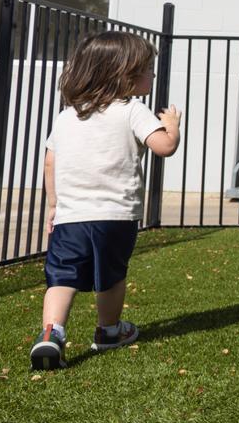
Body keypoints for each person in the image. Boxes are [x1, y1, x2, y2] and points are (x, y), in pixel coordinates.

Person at [28, 32, 180, 371]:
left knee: (62, 276)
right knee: (110, 276)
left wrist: (54, 205)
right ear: (124, 74)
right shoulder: (132, 110)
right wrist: (172, 126)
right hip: (115, 215)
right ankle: (109, 331)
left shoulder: (68, 116)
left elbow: (50, 162)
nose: (153, 74)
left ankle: (51, 333)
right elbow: (165, 147)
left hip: (70, 215)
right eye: (148, 68)